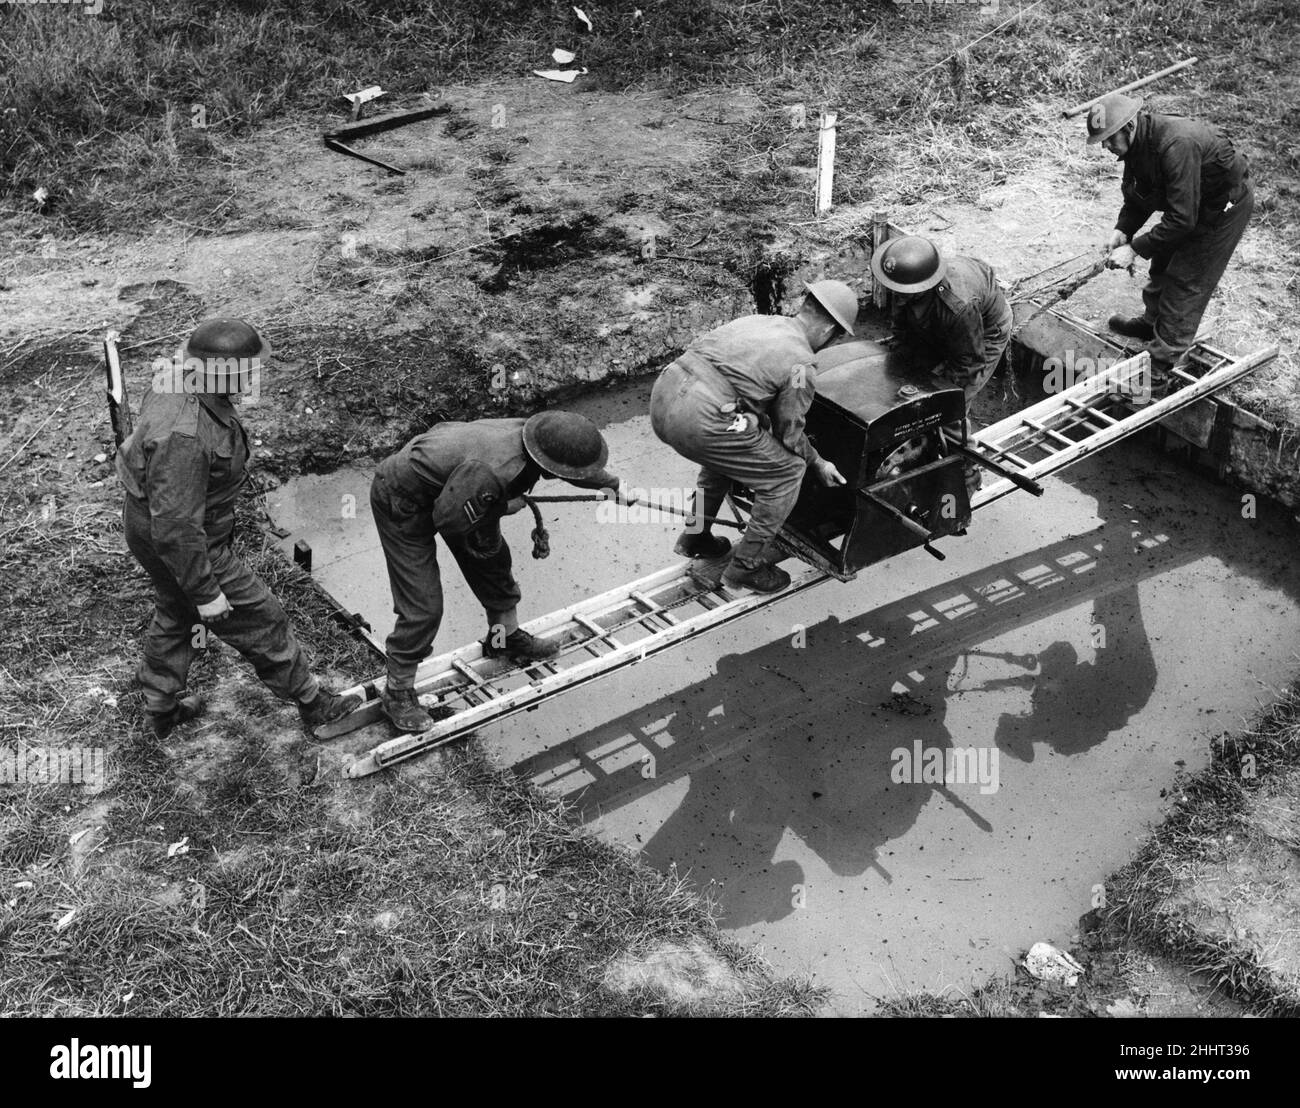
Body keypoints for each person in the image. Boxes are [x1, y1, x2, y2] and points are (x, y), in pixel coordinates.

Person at [117, 319, 359, 739]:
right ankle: (312, 703)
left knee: (177, 611)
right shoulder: (187, 435)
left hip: (156, 524)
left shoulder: (178, 378)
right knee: (260, 616)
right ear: (222, 373)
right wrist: (208, 592)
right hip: (181, 539)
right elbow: (176, 526)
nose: (255, 376)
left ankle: (160, 707)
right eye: (249, 369)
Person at [371, 411, 619, 732]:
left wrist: (613, 487)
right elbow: (449, 519)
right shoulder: (497, 469)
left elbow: (568, 467)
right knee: (423, 605)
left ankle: (504, 639)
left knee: (494, 562)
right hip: (403, 500)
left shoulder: (535, 437)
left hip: (460, 488)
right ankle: (398, 692)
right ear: (546, 465)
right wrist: (503, 506)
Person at [649, 281, 858, 594]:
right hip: (701, 418)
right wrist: (818, 462)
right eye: (835, 337)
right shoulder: (802, 363)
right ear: (828, 329)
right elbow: (790, 432)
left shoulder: (760, 321)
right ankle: (745, 569)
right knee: (787, 473)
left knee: (728, 453)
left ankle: (695, 536)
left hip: (664, 398)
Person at [1086, 91, 1254, 367]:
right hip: (1192, 201)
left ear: (1129, 127)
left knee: (1186, 279)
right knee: (1163, 261)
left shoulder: (1175, 144)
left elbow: (1181, 220)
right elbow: (1138, 194)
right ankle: (1152, 324)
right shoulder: (1138, 144)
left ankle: (1161, 365)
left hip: (1223, 204)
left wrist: (1134, 250)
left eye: (1108, 139)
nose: (1105, 147)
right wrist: (1123, 229)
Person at [870, 235, 1011, 492]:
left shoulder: (957, 308)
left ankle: (964, 477)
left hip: (984, 334)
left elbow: (969, 363)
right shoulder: (908, 283)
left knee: (950, 408)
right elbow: (902, 331)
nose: (895, 293)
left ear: (921, 286)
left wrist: (937, 398)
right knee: (902, 379)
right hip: (941, 326)